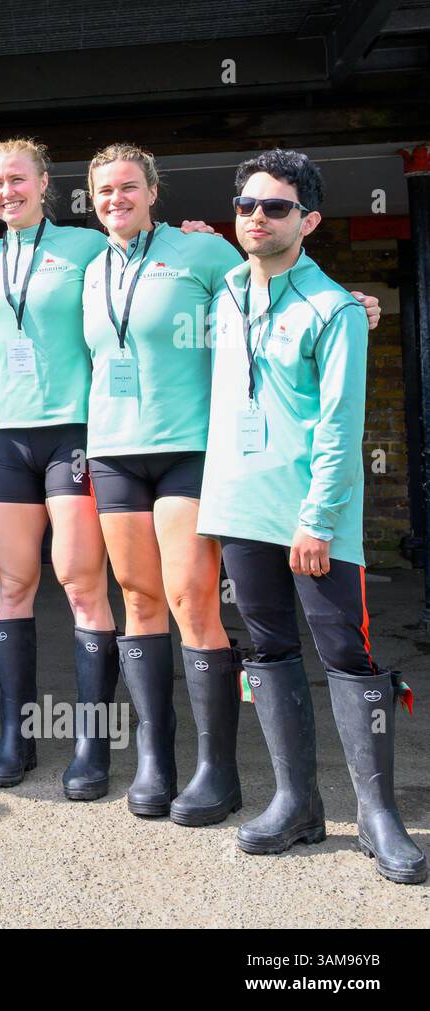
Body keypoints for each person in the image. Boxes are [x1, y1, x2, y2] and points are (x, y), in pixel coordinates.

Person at [82, 144, 380, 824]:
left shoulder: (206, 254)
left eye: (129, 187)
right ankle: (156, 760)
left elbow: (284, 284)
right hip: (113, 450)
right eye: (104, 191)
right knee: (136, 594)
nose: (116, 199)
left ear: (155, 192)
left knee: (192, 597)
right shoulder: (85, 266)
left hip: (193, 449)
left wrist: (353, 308)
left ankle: (217, 770)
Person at [199, 149, 425, 884]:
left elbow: (340, 426)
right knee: (265, 651)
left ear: (310, 220)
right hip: (239, 507)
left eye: (276, 207)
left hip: (312, 517)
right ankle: (296, 802)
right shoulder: (225, 289)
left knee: (348, 658)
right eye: (246, 206)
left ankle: (378, 815)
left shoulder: (335, 309)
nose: (257, 217)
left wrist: (319, 519)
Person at [0, 139, 119, 795]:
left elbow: (145, 277)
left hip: (73, 432)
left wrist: (193, 235)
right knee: (12, 585)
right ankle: (16, 736)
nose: (8, 191)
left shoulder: (86, 248)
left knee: (84, 585)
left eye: (17, 179)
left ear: (44, 182)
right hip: (4, 434)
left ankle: (92, 745)